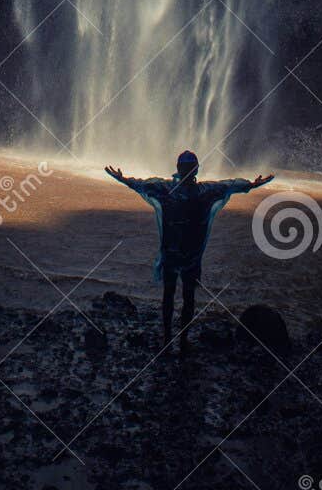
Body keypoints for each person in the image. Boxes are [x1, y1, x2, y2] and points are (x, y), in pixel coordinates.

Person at [105, 151, 274, 355]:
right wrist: (251, 185)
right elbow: (229, 185)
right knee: (188, 297)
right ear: (195, 170)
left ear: (179, 168)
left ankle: (168, 338)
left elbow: (141, 184)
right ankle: (182, 340)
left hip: (172, 253)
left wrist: (124, 179)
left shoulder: (167, 189)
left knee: (170, 295)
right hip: (191, 256)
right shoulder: (204, 191)